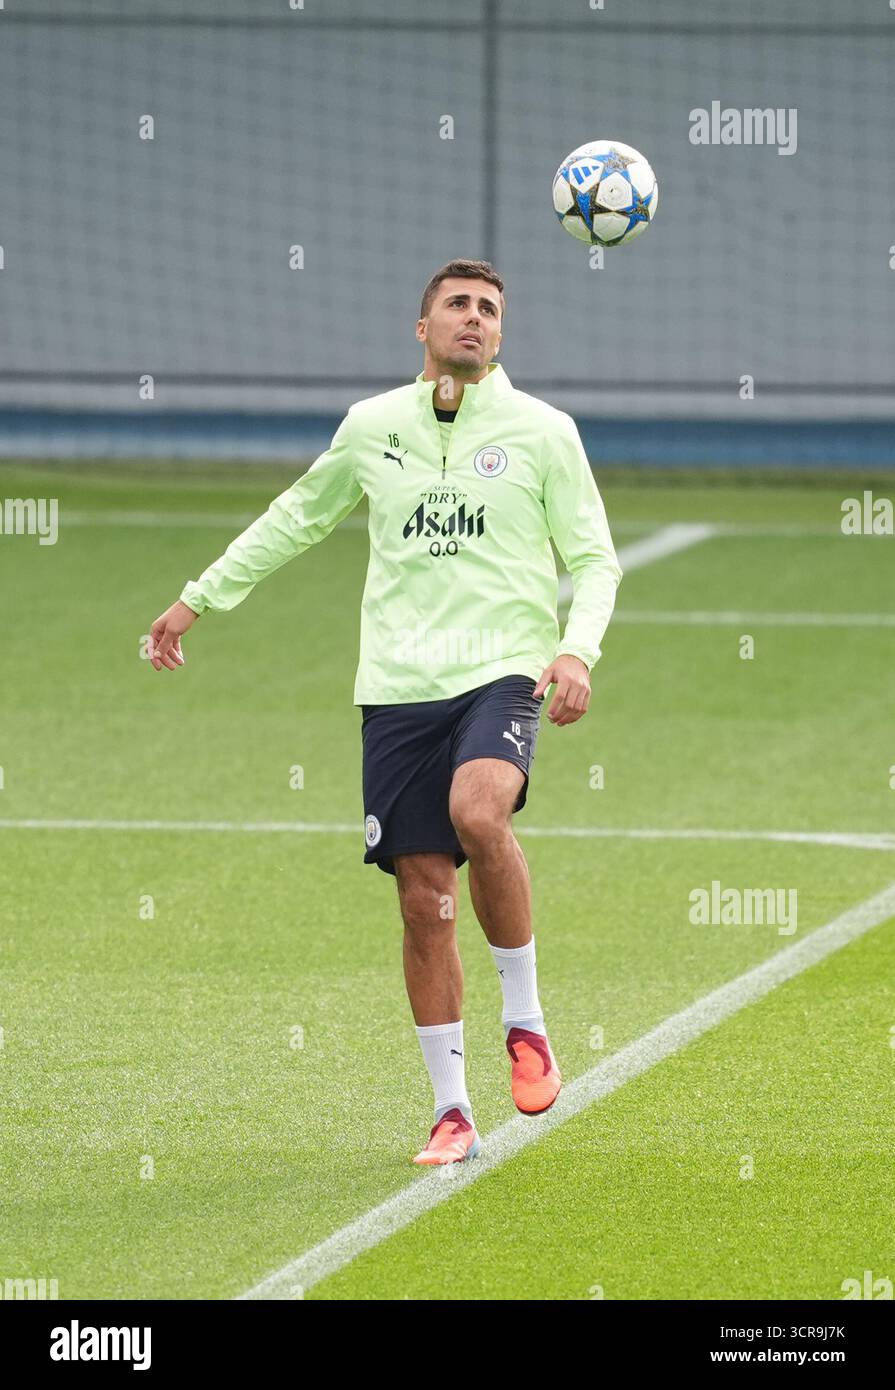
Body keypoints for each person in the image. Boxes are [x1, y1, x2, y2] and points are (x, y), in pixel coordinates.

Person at [148, 258, 622, 1165]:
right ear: (423, 329)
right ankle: (451, 1111)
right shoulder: (373, 427)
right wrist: (197, 597)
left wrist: (576, 650)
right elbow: (297, 516)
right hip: (398, 687)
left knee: (479, 810)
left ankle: (524, 1021)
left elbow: (594, 559)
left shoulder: (542, 432)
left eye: (488, 308)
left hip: (500, 672)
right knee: (422, 902)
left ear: (501, 331)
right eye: (456, 306)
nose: (473, 320)